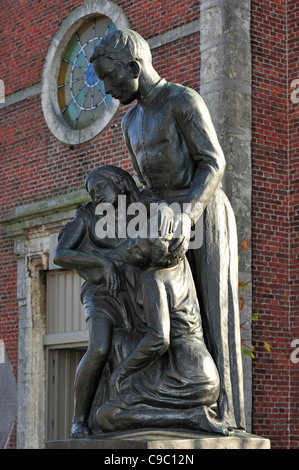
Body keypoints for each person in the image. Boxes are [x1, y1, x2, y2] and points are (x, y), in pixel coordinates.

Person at [90, 29, 246, 431]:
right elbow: (145, 185)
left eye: (110, 77)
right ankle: (162, 408)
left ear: (134, 68)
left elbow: (213, 162)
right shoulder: (130, 121)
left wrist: (187, 215)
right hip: (157, 221)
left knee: (211, 317)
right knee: (154, 318)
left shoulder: (182, 101)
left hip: (201, 213)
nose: (107, 89)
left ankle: (222, 413)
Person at [96, 235, 229, 435]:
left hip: (182, 374)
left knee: (106, 415)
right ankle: (192, 415)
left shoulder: (152, 279)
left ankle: (190, 417)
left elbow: (159, 338)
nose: (130, 248)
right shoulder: (181, 267)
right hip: (208, 378)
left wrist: (122, 370)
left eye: (138, 249)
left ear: (152, 258)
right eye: (134, 242)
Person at [54, 164, 140, 438]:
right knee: (100, 348)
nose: (96, 196)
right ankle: (79, 420)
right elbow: (60, 254)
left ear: (119, 182)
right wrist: (101, 263)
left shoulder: (141, 211)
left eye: (99, 187)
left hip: (133, 292)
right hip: (100, 293)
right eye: (92, 192)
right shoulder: (88, 215)